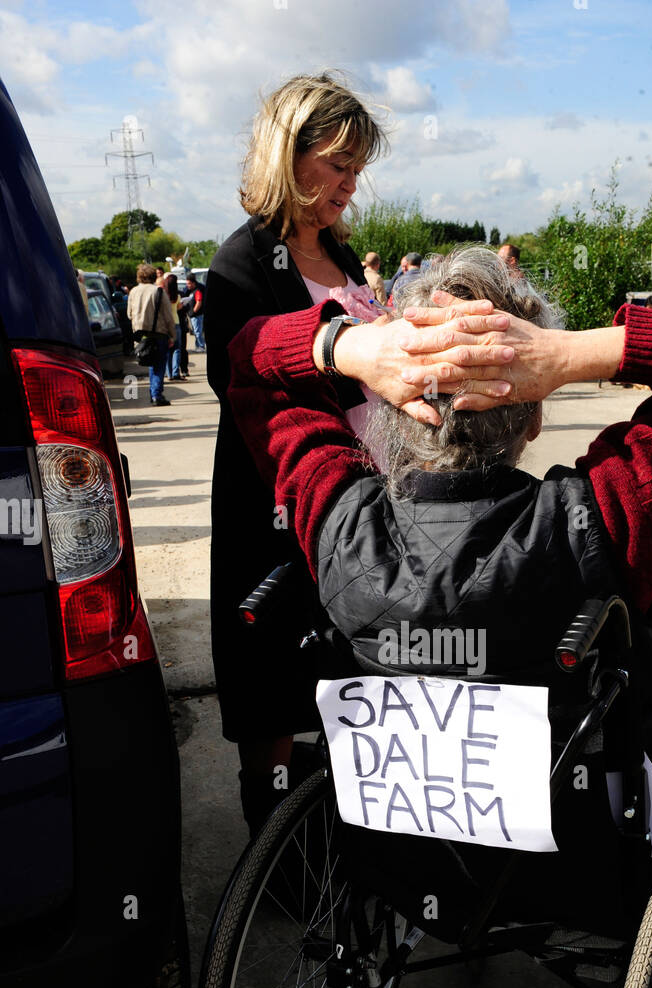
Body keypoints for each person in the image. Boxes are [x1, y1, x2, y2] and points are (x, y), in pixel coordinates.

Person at [224, 248, 652, 797]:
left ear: (392, 396)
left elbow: (249, 358)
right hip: (569, 862)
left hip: (390, 859)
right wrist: (573, 353)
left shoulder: (335, 518)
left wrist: (343, 343)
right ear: (535, 413)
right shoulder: (604, 519)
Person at [204, 71, 389, 832]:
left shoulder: (342, 259)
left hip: (363, 495)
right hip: (276, 502)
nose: (351, 183)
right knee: (272, 678)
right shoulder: (241, 264)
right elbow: (240, 380)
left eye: (358, 169)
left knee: (353, 662)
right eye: (338, 164)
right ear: (290, 155)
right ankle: (274, 840)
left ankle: (347, 829)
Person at [127, 262, 175, 405]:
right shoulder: (158, 292)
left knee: (150, 363)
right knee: (159, 365)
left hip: (141, 335)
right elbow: (168, 316)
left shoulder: (133, 292)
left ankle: (153, 392)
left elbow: (129, 314)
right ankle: (156, 395)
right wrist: (173, 335)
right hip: (159, 333)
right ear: (154, 276)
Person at [163, 274, 186, 380]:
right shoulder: (177, 296)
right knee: (177, 349)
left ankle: (169, 373)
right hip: (176, 322)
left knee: (167, 349)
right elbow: (178, 307)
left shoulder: (163, 295)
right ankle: (176, 372)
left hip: (166, 324)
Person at [185, 272, 206, 349]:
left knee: (198, 332)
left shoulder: (197, 291)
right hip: (193, 316)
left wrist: (193, 312)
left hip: (197, 315)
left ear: (193, 283)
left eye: (189, 283)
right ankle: (198, 346)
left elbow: (199, 302)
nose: (188, 285)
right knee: (196, 331)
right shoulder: (190, 291)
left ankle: (201, 346)